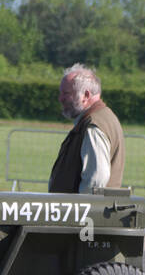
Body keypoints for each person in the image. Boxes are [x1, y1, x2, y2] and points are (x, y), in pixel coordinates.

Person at [47, 63, 126, 194]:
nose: (60, 99)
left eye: (66, 93)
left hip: (83, 213)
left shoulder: (94, 125)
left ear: (86, 95)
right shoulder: (99, 118)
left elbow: (95, 181)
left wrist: (81, 211)